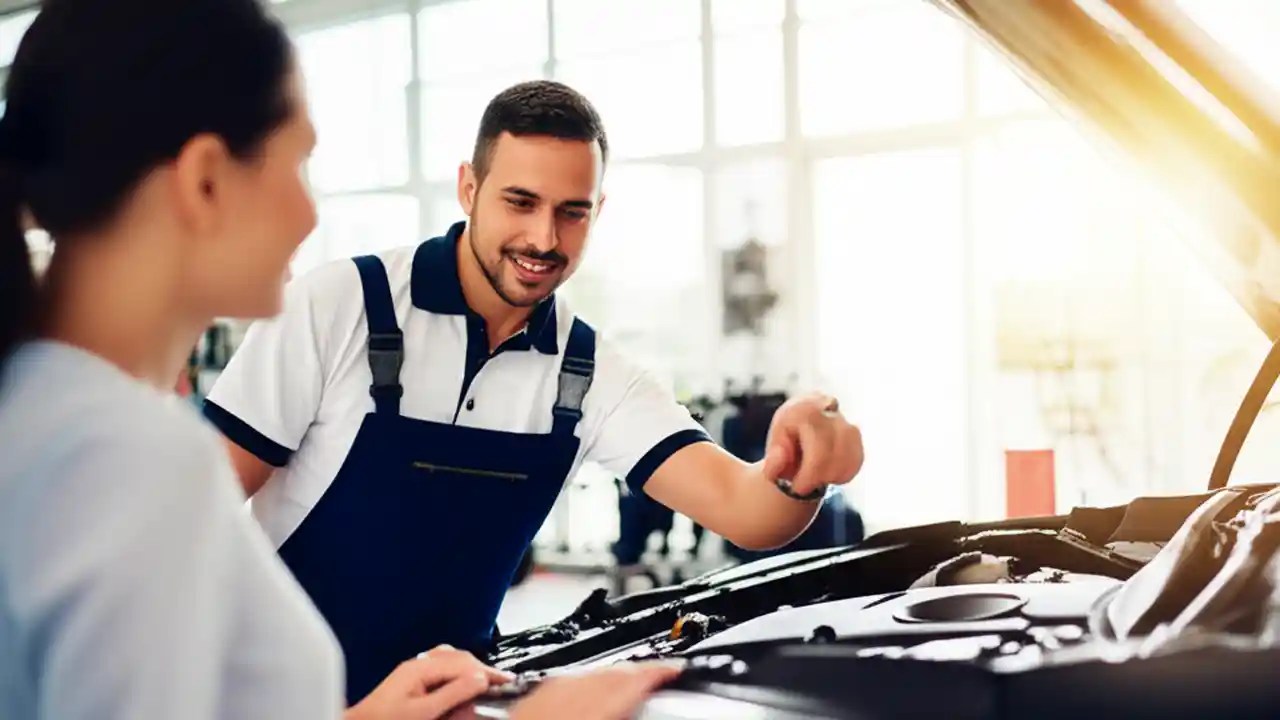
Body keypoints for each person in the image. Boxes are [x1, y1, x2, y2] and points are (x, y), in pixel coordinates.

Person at [0, 1, 677, 718]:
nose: (309, 213)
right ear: (205, 181)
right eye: (298, 163)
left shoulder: (49, 419)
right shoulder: (131, 461)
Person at [204, 78, 867, 701]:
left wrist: (801, 471)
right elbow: (192, 512)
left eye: (572, 213)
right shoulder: (338, 306)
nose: (544, 239)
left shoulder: (588, 369)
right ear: (468, 188)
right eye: (520, 202)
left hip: (456, 706)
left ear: (597, 211)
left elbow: (745, 509)